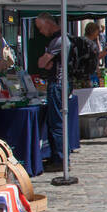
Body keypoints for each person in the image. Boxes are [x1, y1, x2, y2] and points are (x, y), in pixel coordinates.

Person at [33, 14, 70, 166]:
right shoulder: (61, 39)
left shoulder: (58, 41)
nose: (40, 32)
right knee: (54, 122)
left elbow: (42, 63)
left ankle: (60, 159)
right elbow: (47, 64)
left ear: (48, 23)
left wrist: (44, 60)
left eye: (41, 28)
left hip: (57, 84)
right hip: (59, 83)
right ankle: (57, 156)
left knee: (57, 123)